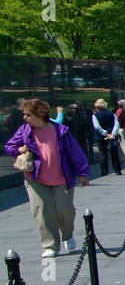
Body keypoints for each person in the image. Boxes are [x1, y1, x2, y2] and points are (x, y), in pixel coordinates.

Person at [4, 98, 90, 258]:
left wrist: (83, 173)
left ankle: (67, 234)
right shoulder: (25, 130)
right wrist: (20, 150)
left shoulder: (60, 130)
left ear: (39, 114)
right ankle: (50, 245)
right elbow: (9, 146)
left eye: (27, 114)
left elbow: (74, 151)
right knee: (42, 211)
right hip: (35, 178)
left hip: (61, 177)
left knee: (66, 210)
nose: (24, 117)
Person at [90, 98, 120, 176]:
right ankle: (117, 170)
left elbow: (97, 126)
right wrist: (113, 134)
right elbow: (116, 124)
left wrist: (105, 133)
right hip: (112, 135)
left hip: (101, 136)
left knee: (103, 153)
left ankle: (104, 171)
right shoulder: (111, 113)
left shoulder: (95, 115)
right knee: (115, 153)